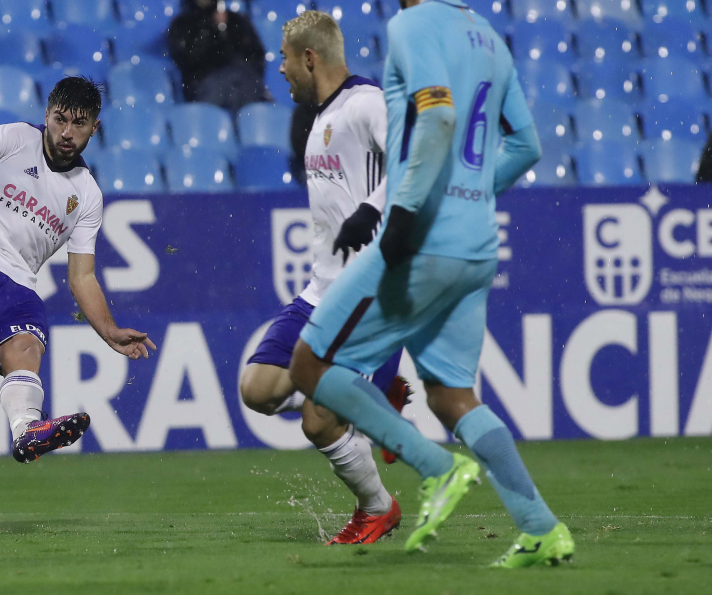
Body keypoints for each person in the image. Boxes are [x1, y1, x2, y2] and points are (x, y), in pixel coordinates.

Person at [288, 0, 575, 568]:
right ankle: (541, 527)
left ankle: (438, 468)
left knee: (310, 365)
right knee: (452, 396)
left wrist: (406, 212)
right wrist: (470, 197)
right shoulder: (489, 37)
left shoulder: (412, 25)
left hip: (422, 237)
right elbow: (527, 146)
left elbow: (439, 117)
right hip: (476, 241)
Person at [0, 77, 156, 536]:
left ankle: (27, 431)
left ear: (95, 128)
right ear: (47, 114)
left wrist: (109, 331)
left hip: (21, 283)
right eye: (61, 119)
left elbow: (81, 276)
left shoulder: (87, 194)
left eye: (79, 124)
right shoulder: (10, 139)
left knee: (26, 350)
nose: (67, 131)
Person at [240, 11, 410, 546]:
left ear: (309, 57)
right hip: (322, 291)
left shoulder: (367, 103)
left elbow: (418, 160)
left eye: (285, 60)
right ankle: (375, 400)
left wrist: (372, 207)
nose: (282, 72)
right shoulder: (320, 118)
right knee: (258, 389)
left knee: (317, 421)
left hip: (371, 294)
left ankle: (378, 507)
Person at [168, 0, 267, 112]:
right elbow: (186, 58)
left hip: (242, 82)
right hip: (205, 85)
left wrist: (224, 30)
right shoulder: (182, 24)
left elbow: (256, 55)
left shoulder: (236, 20)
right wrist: (212, 29)